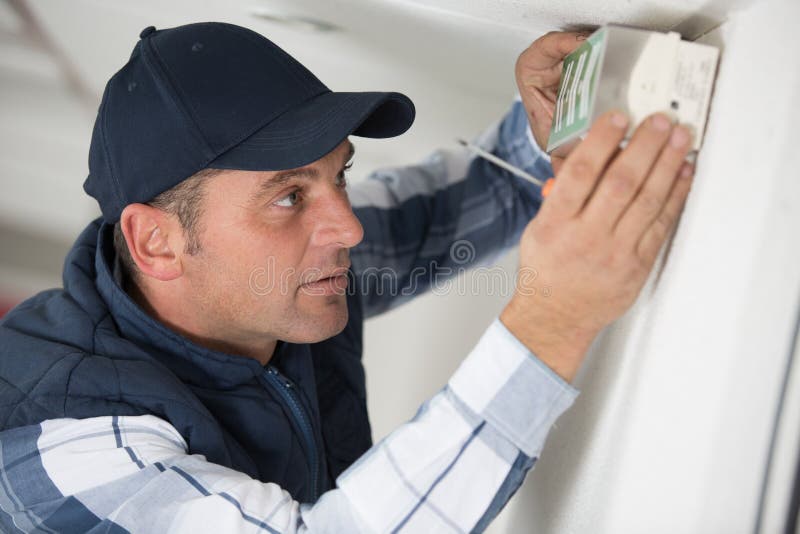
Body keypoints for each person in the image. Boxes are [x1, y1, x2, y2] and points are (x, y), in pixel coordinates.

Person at [0, 22, 693, 533]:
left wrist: (557, 111)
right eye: (289, 196)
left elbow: (482, 194)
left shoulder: (273, 271)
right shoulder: (65, 442)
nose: (349, 229)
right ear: (156, 242)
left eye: (341, 175)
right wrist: (552, 323)